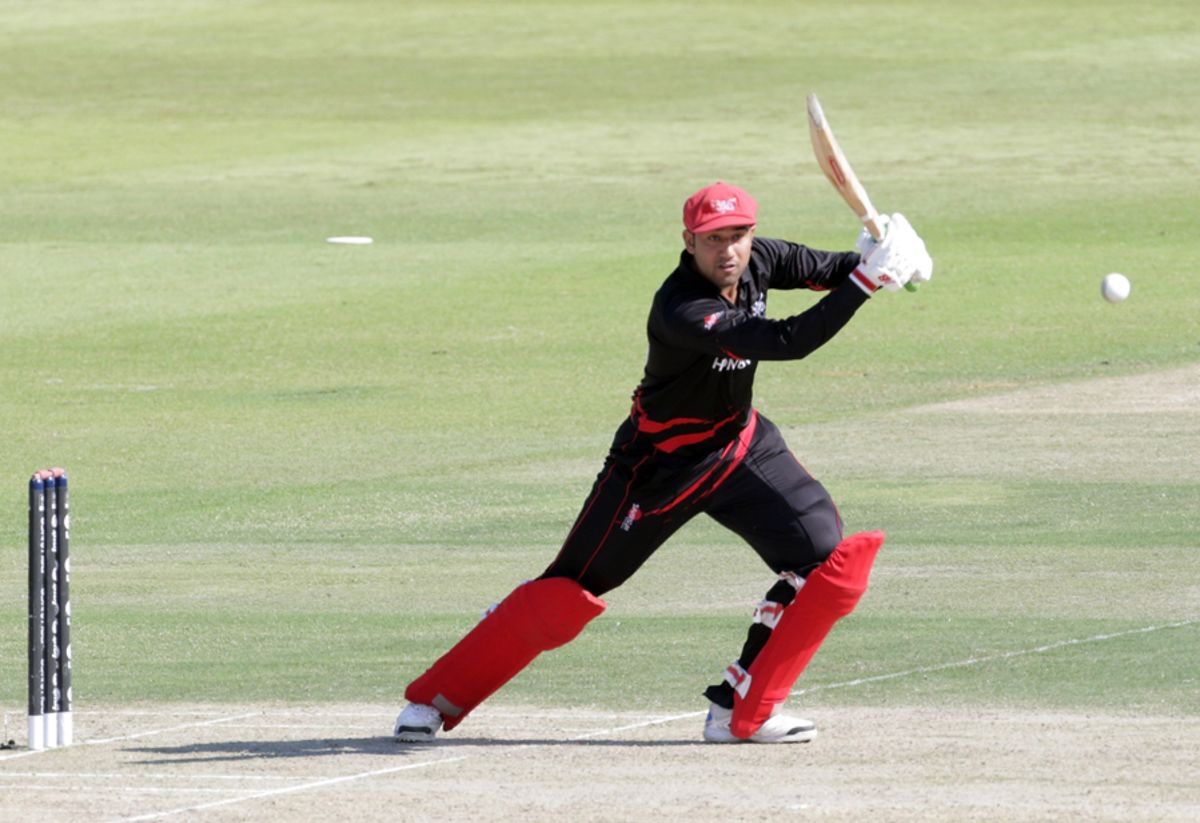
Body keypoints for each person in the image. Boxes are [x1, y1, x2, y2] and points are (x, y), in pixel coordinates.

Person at [395, 182, 932, 744]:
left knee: (826, 565)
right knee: (565, 594)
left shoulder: (760, 257)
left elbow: (836, 269)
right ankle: (436, 699)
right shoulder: (682, 308)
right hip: (656, 469)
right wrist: (868, 281)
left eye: (738, 236)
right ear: (689, 242)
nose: (728, 251)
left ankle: (740, 711)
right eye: (712, 240)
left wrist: (888, 258)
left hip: (738, 446)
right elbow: (786, 340)